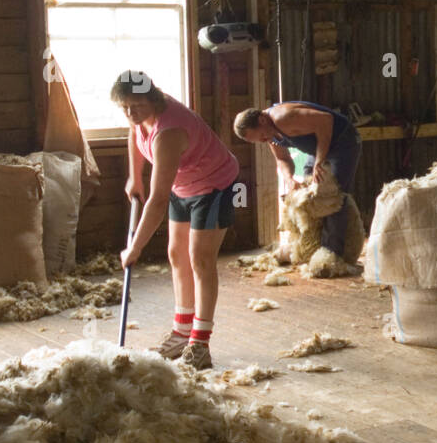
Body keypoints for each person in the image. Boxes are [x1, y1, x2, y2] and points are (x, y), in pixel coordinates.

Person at [113, 70, 239, 370]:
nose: (131, 113)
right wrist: (135, 176)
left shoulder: (169, 132)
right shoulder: (142, 115)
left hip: (214, 186)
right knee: (175, 253)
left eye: (136, 106)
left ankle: (199, 342)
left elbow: (156, 203)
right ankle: (182, 331)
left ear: (152, 99)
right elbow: (135, 132)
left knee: (201, 258)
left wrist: (135, 248)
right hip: (183, 185)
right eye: (125, 107)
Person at [232, 101, 362, 261]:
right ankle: (312, 247)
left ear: (262, 120)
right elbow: (282, 158)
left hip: (343, 141)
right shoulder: (270, 135)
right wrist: (289, 179)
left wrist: (319, 161)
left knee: (331, 197)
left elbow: (326, 120)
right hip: (317, 147)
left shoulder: (284, 117)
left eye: (261, 136)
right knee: (307, 192)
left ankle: (331, 256)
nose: (264, 140)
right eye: (259, 141)